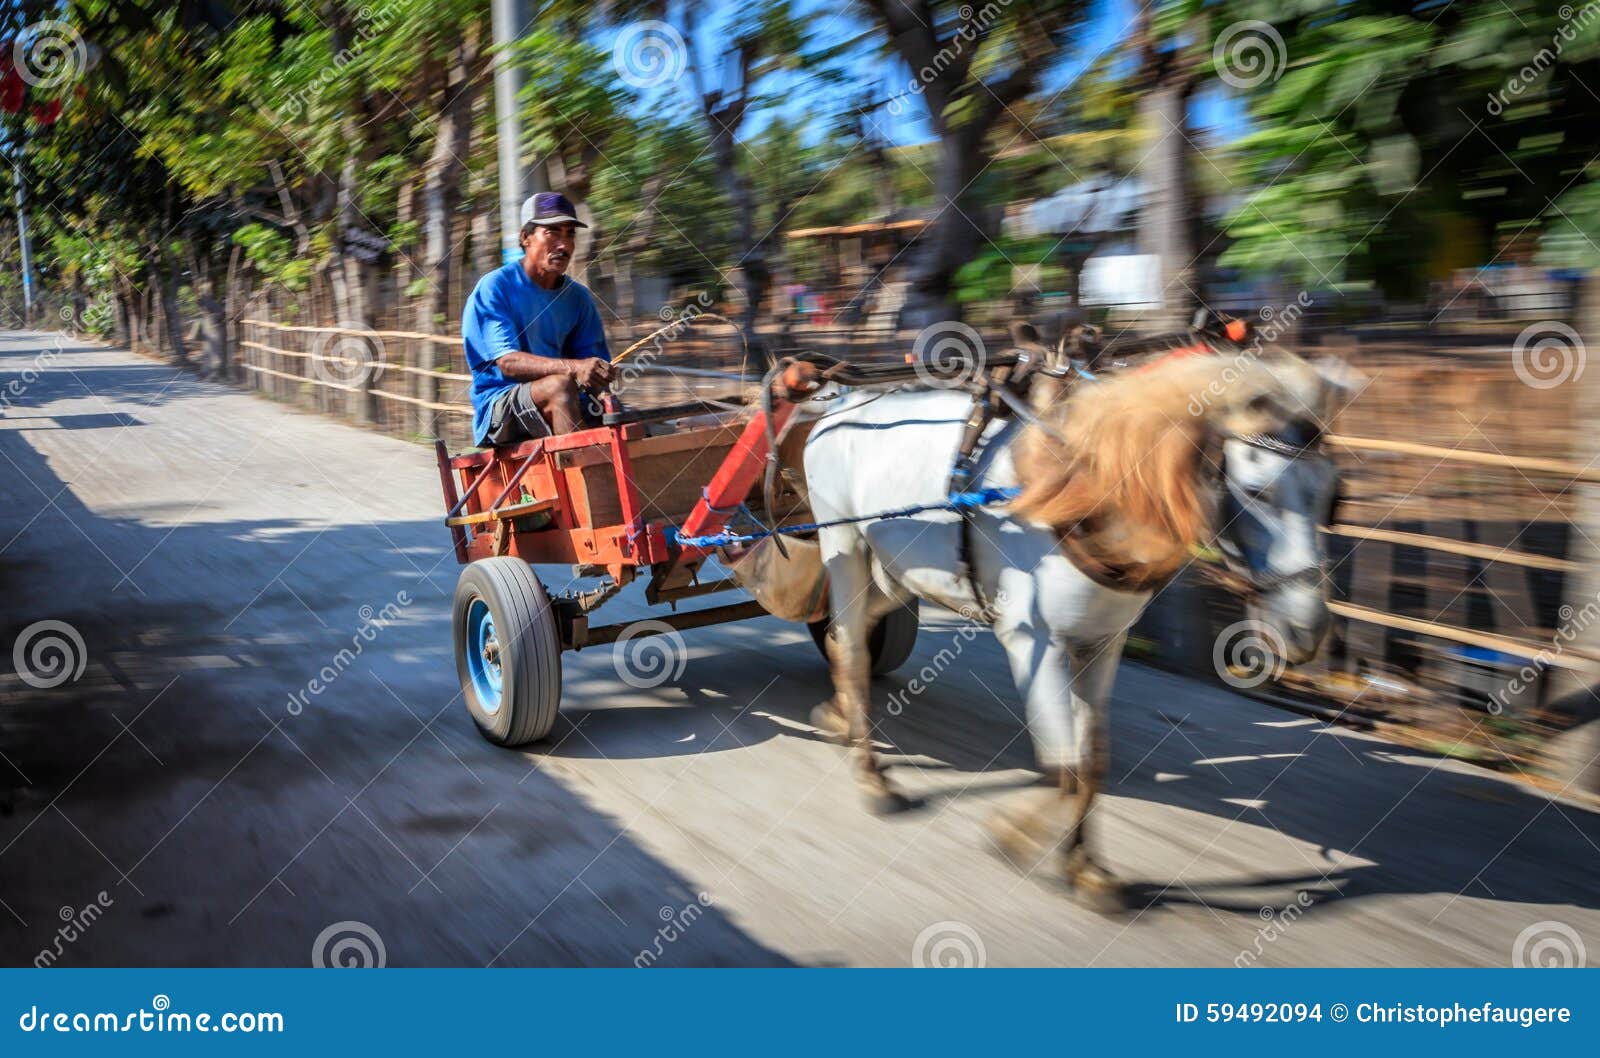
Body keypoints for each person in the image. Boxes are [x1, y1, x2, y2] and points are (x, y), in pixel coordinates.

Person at [462, 192, 613, 447]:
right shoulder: (495, 287)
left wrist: (601, 378)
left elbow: (592, 368)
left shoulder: (578, 298)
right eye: (553, 232)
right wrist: (576, 368)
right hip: (500, 406)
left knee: (622, 414)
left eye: (570, 234)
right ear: (525, 238)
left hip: (566, 399)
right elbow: (508, 363)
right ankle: (583, 480)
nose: (564, 245)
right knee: (560, 387)